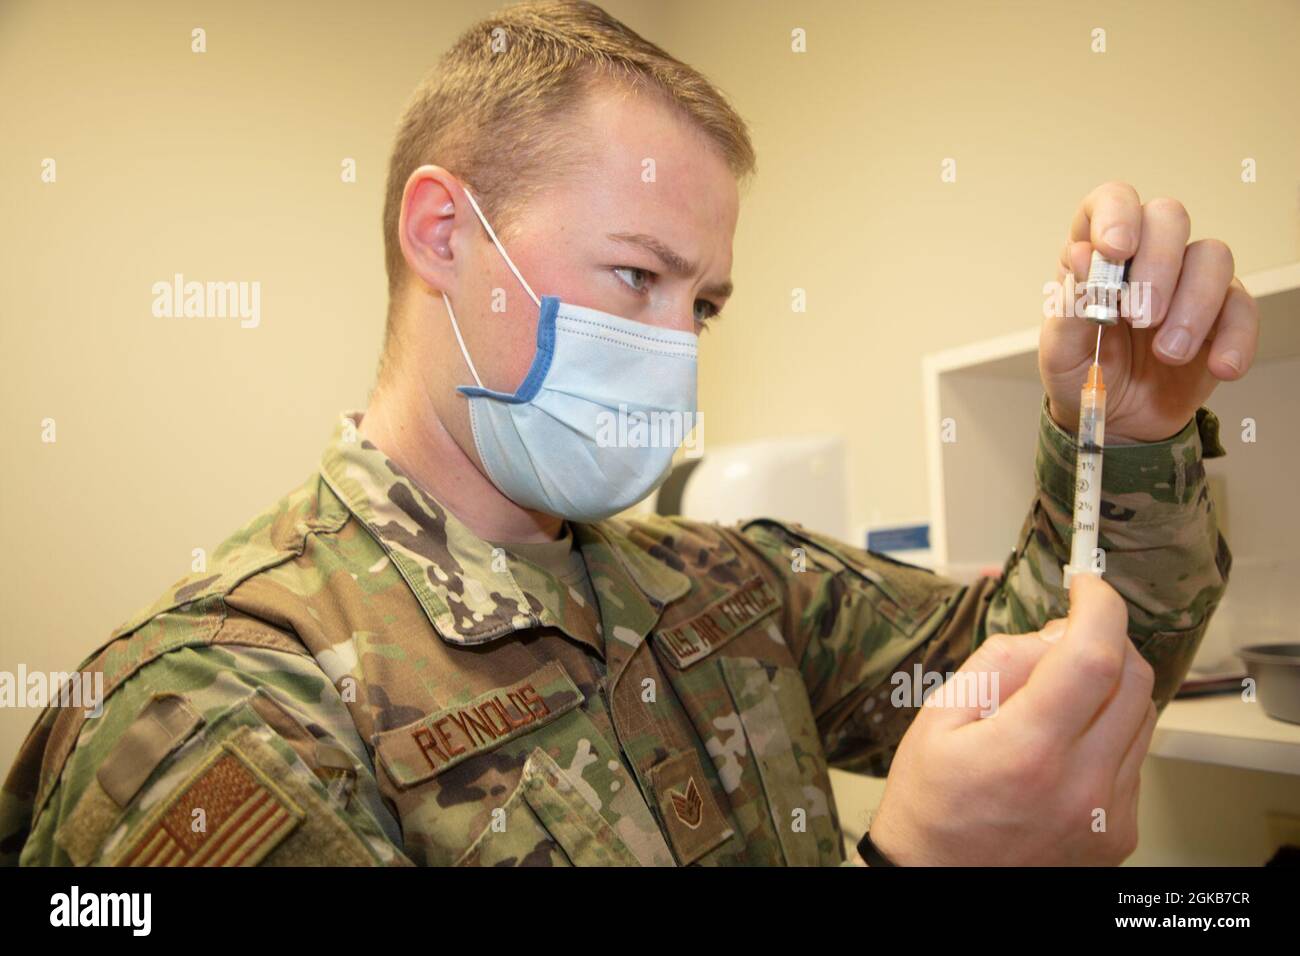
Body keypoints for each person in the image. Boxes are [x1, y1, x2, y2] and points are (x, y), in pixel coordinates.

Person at [1, 0, 1255, 867]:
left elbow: (1054, 664)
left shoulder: (721, 584)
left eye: (702, 303)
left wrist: (1122, 433)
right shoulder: (214, 708)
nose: (677, 346)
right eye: (636, 277)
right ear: (444, 235)